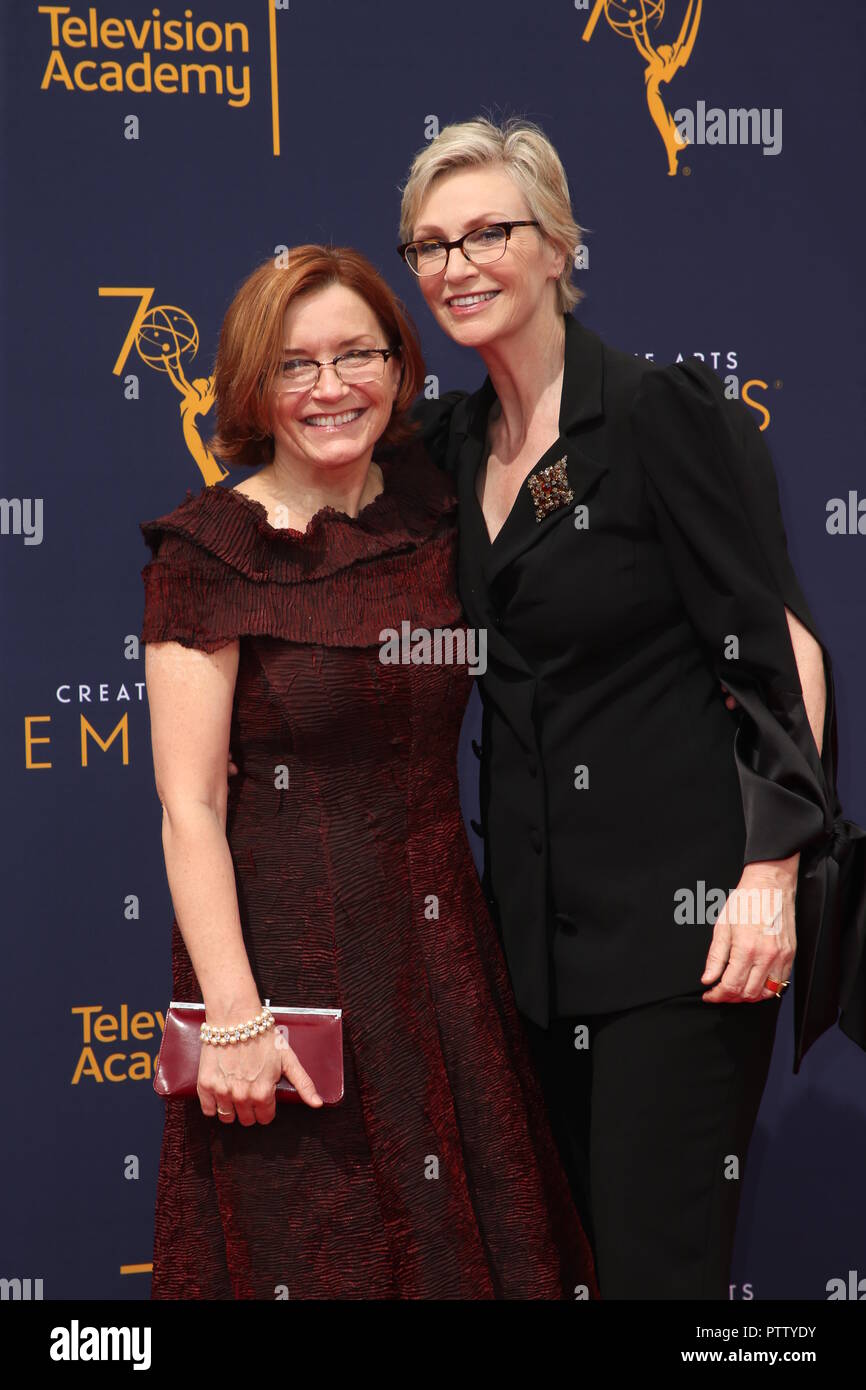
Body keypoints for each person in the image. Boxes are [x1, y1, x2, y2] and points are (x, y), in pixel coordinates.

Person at [394, 115, 866, 1299]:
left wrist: (767, 874)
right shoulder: (448, 446)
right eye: (429, 245)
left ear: (556, 245)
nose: (456, 265)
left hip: (684, 937)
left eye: (487, 233)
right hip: (533, 954)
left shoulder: (659, 415)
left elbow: (779, 647)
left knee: (659, 1276)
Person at [139, 245, 598, 1299]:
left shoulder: (439, 514)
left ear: (399, 366)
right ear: (251, 384)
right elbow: (189, 804)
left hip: (443, 961)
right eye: (294, 365)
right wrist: (235, 1017)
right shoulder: (206, 553)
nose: (330, 386)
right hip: (284, 970)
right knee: (315, 1251)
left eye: (357, 354)